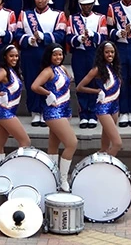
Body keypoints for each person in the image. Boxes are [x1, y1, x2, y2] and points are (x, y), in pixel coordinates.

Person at [16, 0, 67, 126]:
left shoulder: (58, 14)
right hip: (30, 52)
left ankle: (47, 110)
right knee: (31, 80)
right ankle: (35, 111)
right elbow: (17, 33)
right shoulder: (25, 14)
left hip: (48, 53)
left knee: (48, 83)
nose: (40, 1)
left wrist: (44, 37)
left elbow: (60, 34)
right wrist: (29, 39)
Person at [31, 43, 78, 192]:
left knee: (53, 145)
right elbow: (34, 86)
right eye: (55, 55)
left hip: (65, 109)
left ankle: (51, 178)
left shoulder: (63, 68)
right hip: (53, 111)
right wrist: (48, 93)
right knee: (72, 143)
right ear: (49, 56)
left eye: (60, 54)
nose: (58, 57)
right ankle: (63, 178)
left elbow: (69, 79)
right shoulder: (47, 71)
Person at [67, 0, 108, 129]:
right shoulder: (72, 18)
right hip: (79, 53)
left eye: (89, 4)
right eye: (84, 5)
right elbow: (68, 37)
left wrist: (93, 35)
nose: (87, 7)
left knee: (95, 82)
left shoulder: (100, 18)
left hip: (94, 53)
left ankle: (93, 112)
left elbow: (104, 37)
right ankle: (84, 113)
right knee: (81, 82)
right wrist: (78, 38)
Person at [0, 45, 31, 171]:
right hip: (5, 111)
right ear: (5, 56)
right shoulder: (3, 71)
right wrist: (1, 94)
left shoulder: (12, 71)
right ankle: (19, 170)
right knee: (25, 142)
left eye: (16, 56)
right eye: (11, 56)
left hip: (9, 111)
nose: (14, 58)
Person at [76, 41, 123, 156]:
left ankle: (101, 160)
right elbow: (79, 87)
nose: (110, 55)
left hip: (115, 107)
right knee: (117, 143)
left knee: (105, 146)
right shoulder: (96, 69)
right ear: (102, 53)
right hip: (103, 107)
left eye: (112, 52)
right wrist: (97, 91)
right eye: (107, 52)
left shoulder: (114, 67)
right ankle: (108, 168)